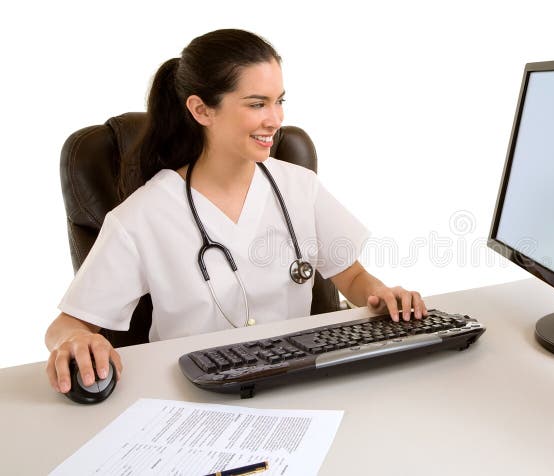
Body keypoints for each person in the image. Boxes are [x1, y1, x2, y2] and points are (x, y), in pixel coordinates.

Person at [45, 29, 428, 395]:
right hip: (196, 395)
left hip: (301, 382)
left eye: (279, 101)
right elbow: (68, 323)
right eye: (257, 104)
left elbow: (353, 275)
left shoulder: (298, 186)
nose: (275, 119)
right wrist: (76, 339)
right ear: (201, 110)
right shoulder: (144, 215)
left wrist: (381, 293)